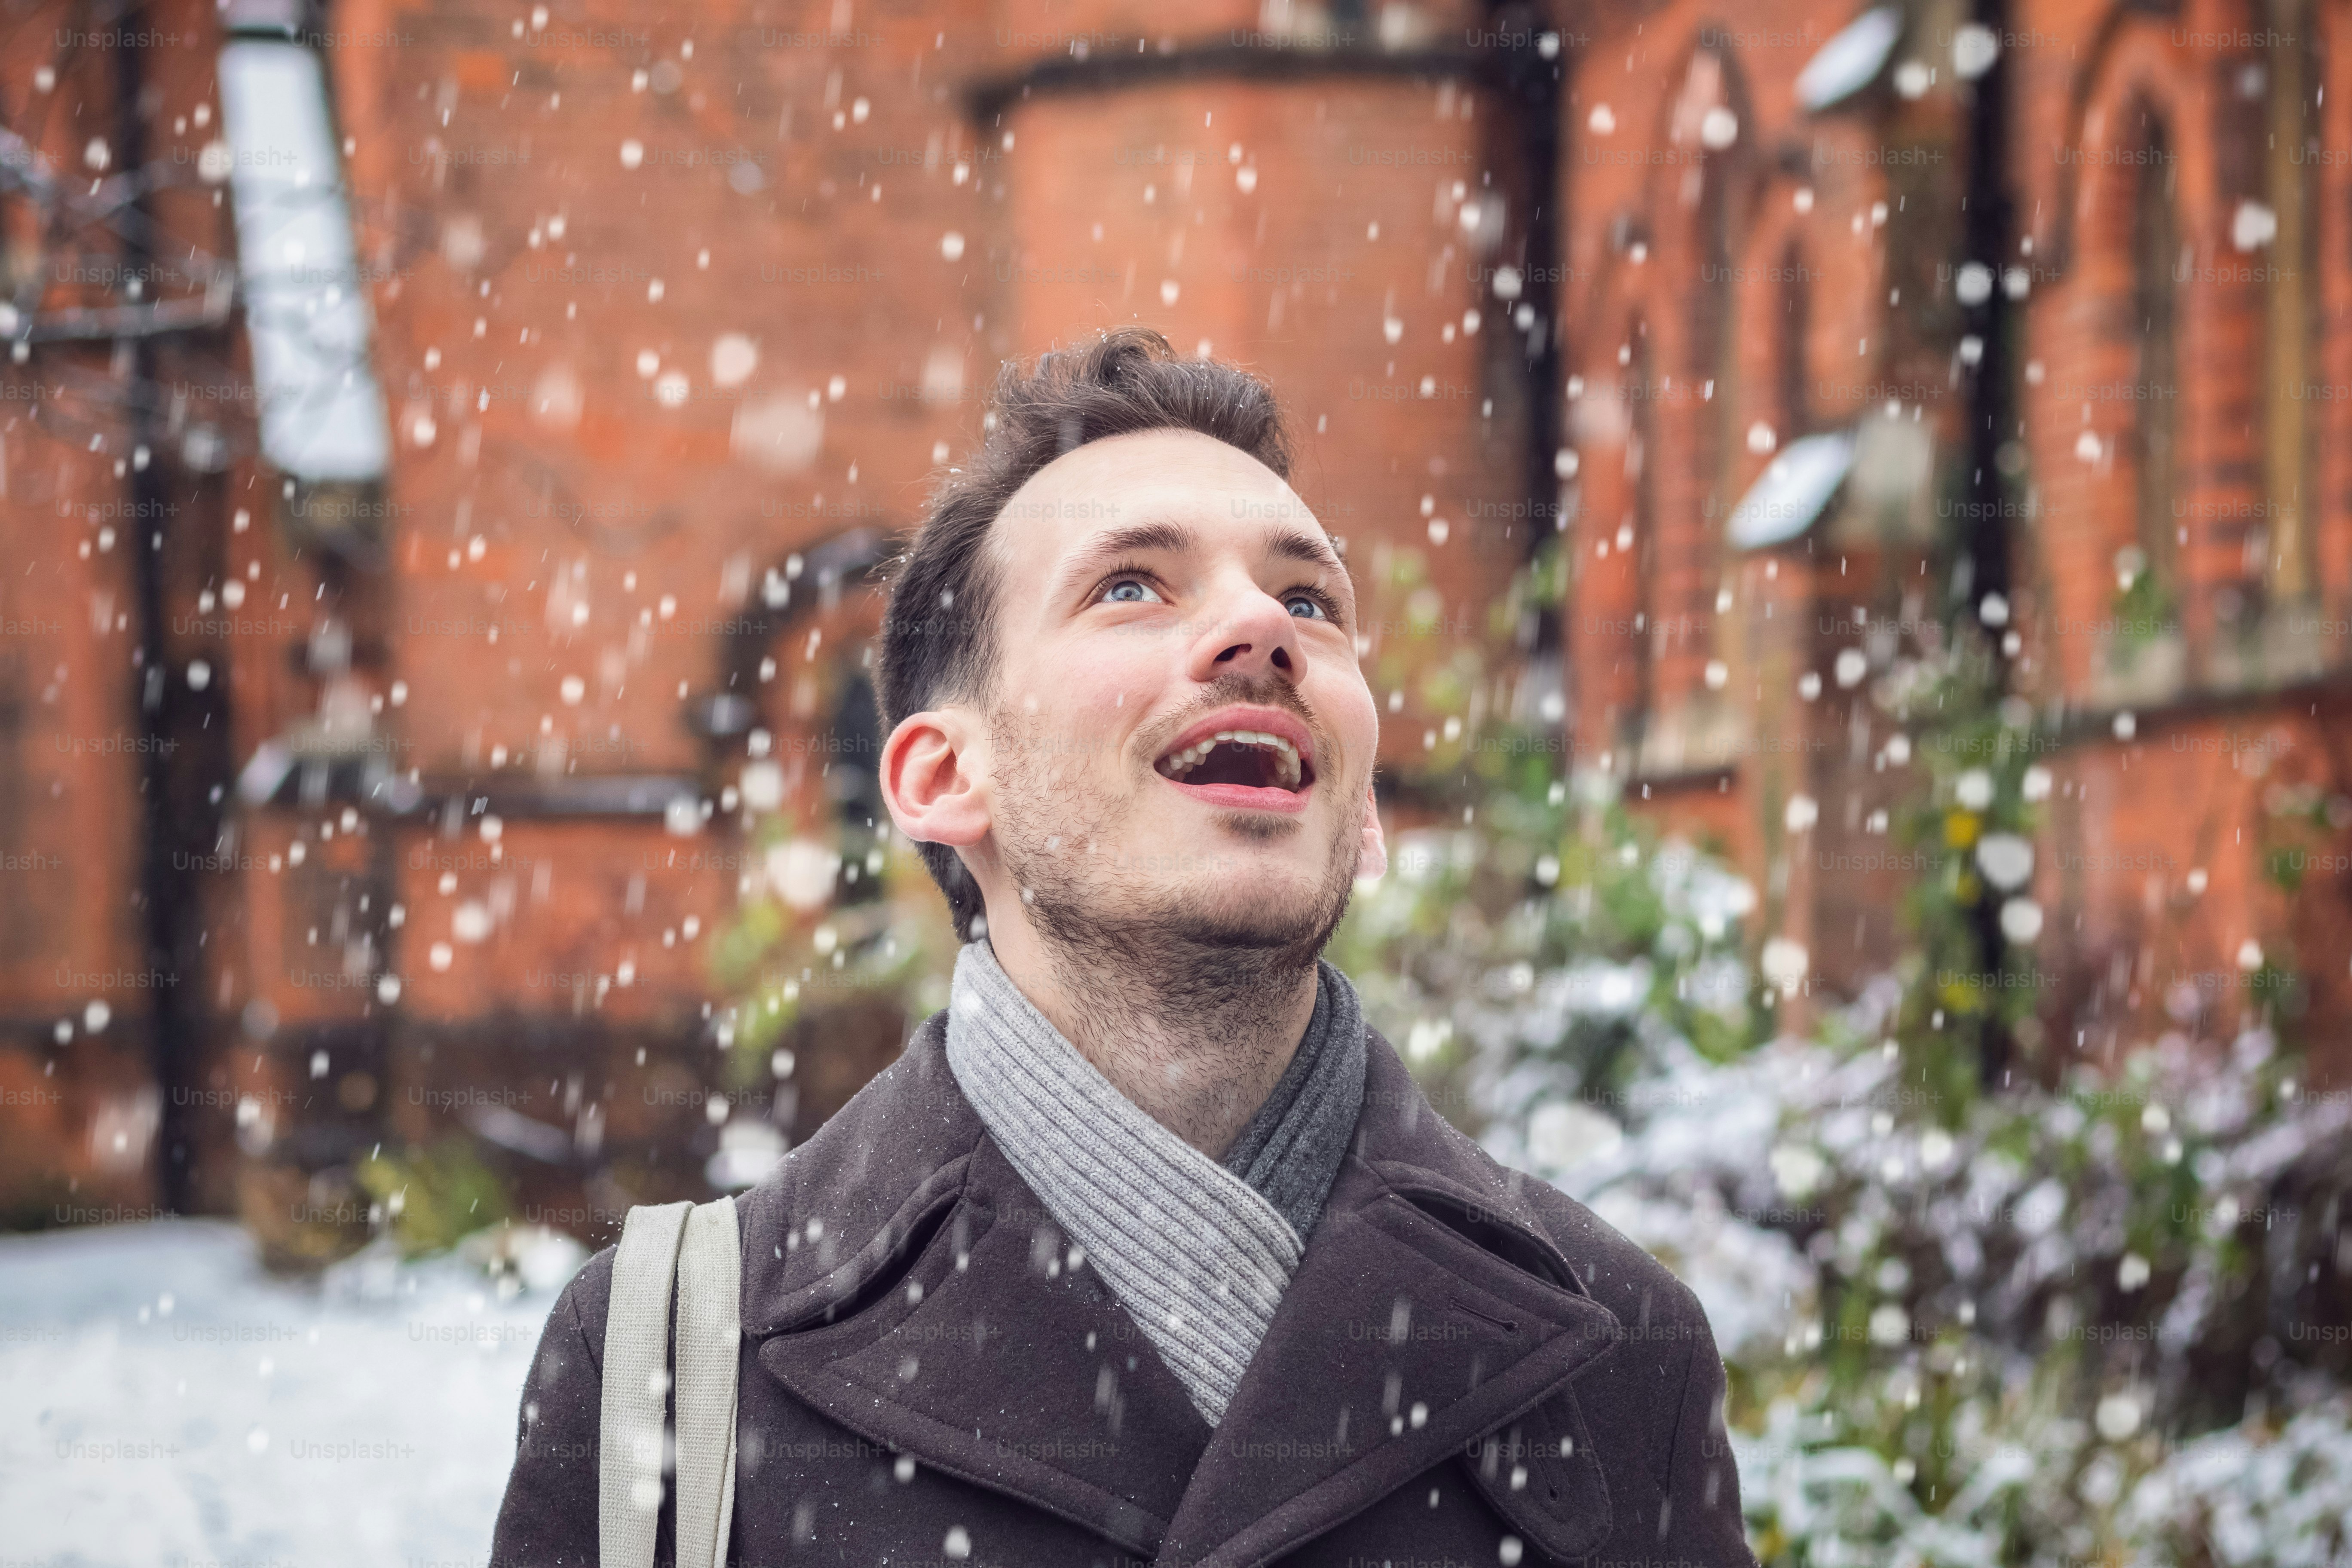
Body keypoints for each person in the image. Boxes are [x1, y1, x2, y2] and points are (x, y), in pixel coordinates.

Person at [490, 326, 1757, 1566]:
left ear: (1361, 798)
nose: (1262, 630)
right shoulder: (670, 1363)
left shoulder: (1624, 1358)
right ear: (942, 775)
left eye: (1308, 599)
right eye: (1132, 586)